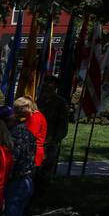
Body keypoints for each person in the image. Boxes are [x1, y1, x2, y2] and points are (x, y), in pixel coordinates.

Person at [0, 101, 38, 216]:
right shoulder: (27, 132)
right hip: (27, 180)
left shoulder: (15, 137)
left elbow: (11, 164)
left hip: (17, 184)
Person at [34, 74, 68, 202]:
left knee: (45, 170)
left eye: (51, 83)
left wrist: (55, 139)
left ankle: (41, 195)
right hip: (37, 139)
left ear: (55, 86)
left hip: (50, 140)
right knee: (35, 168)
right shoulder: (39, 101)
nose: (47, 85)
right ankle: (33, 192)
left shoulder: (60, 103)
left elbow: (63, 124)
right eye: (46, 83)